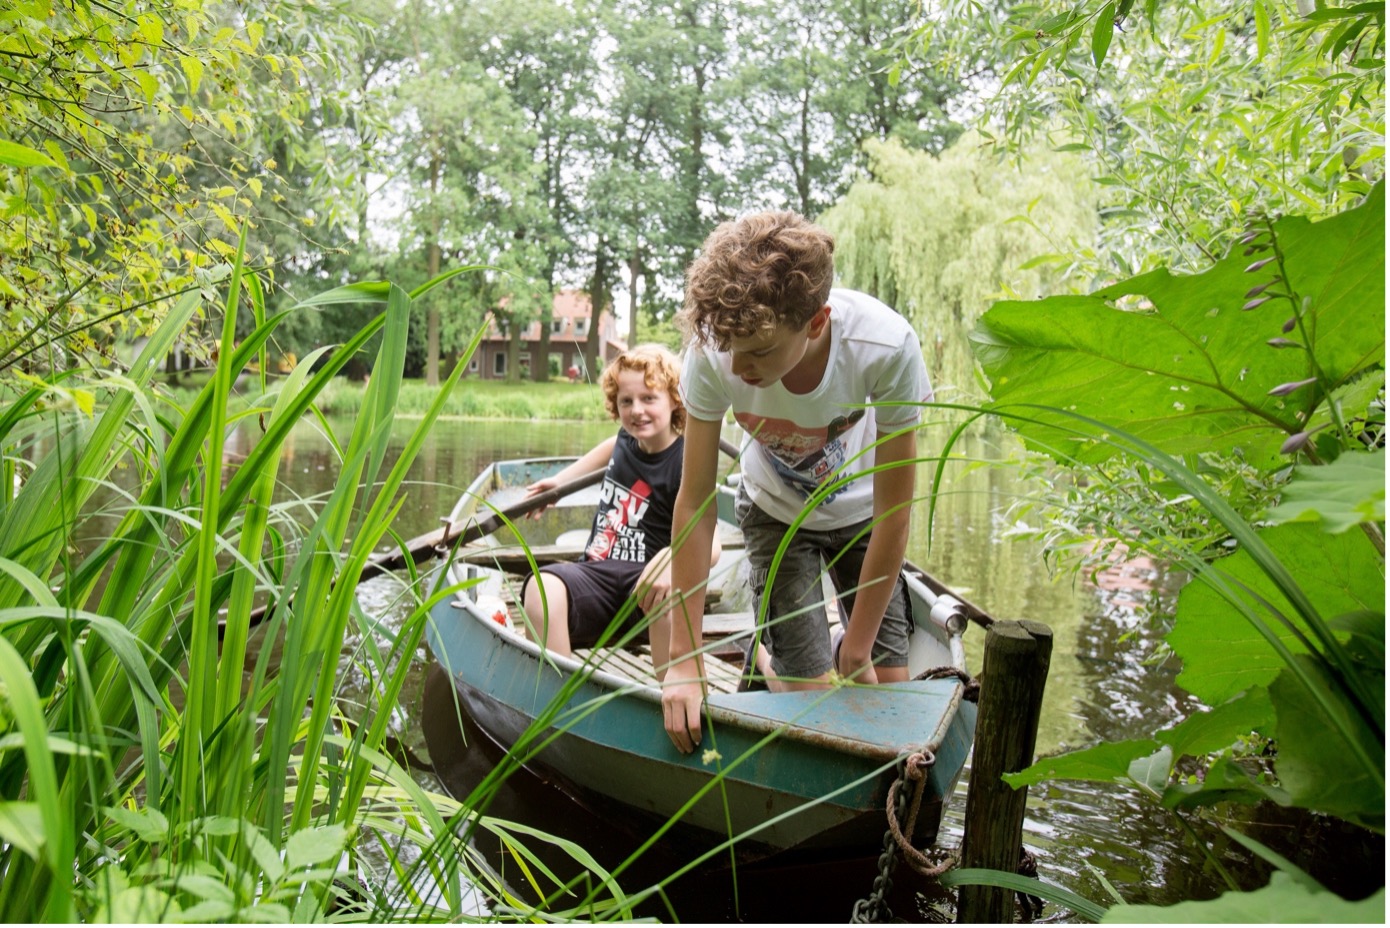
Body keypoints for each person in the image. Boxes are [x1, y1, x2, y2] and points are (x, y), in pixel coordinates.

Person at [660, 209, 933, 754]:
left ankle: (815, 642)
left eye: (759, 351)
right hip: (777, 511)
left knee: (894, 696)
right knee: (813, 712)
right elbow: (694, 503)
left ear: (815, 322)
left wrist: (856, 652)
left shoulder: (884, 347)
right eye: (732, 350)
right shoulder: (714, 354)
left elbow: (894, 513)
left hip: (862, 515)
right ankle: (770, 653)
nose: (739, 370)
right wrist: (686, 662)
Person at [519, 344, 719, 678]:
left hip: (646, 588)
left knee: (672, 598)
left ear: (675, 400)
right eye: (626, 401)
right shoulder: (626, 440)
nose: (636, 410)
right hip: (596, 574)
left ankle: (669, 703)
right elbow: (610, 447)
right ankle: (560, 701)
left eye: (648, 399)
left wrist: (673, 559)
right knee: (542, 588)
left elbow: (712, 545)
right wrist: (561, 481)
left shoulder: (687, 461)